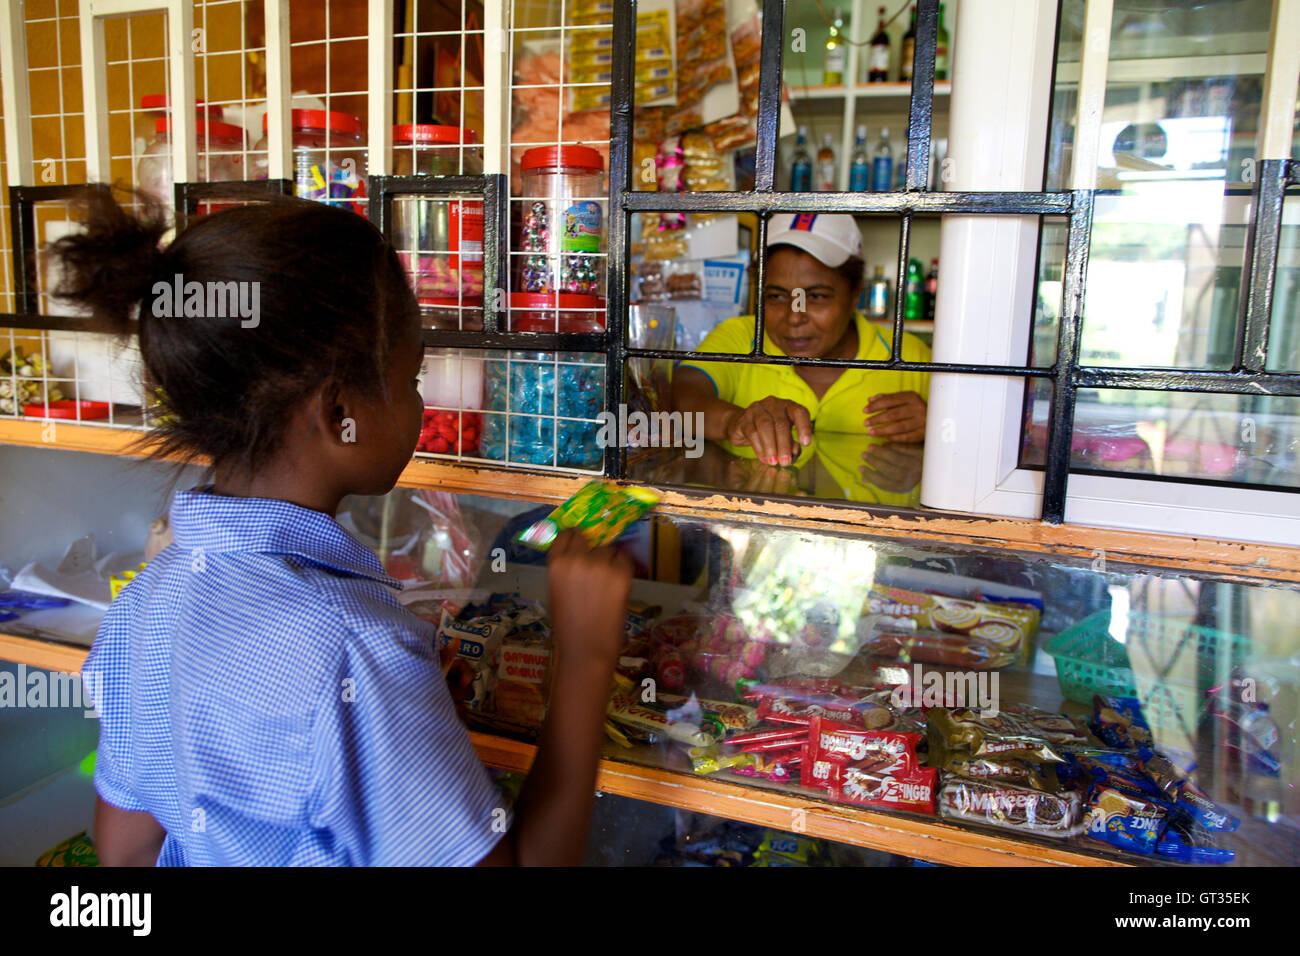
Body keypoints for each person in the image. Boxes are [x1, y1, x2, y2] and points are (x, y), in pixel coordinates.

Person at [59, 195, 631, 866]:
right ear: (338, 410)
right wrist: (586, 659)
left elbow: (123, 854)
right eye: (411, 375)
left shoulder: (145, 603)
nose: (421, 400)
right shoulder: (358, 652)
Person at [672, 213, 930, 470]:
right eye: (776, 296)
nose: (794, 317)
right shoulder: (740, 338)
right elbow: (678, 400)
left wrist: (938, 427)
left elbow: (966, 446)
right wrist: (736, 421)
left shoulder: (909, 356)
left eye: (816, 296)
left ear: (855, 295)